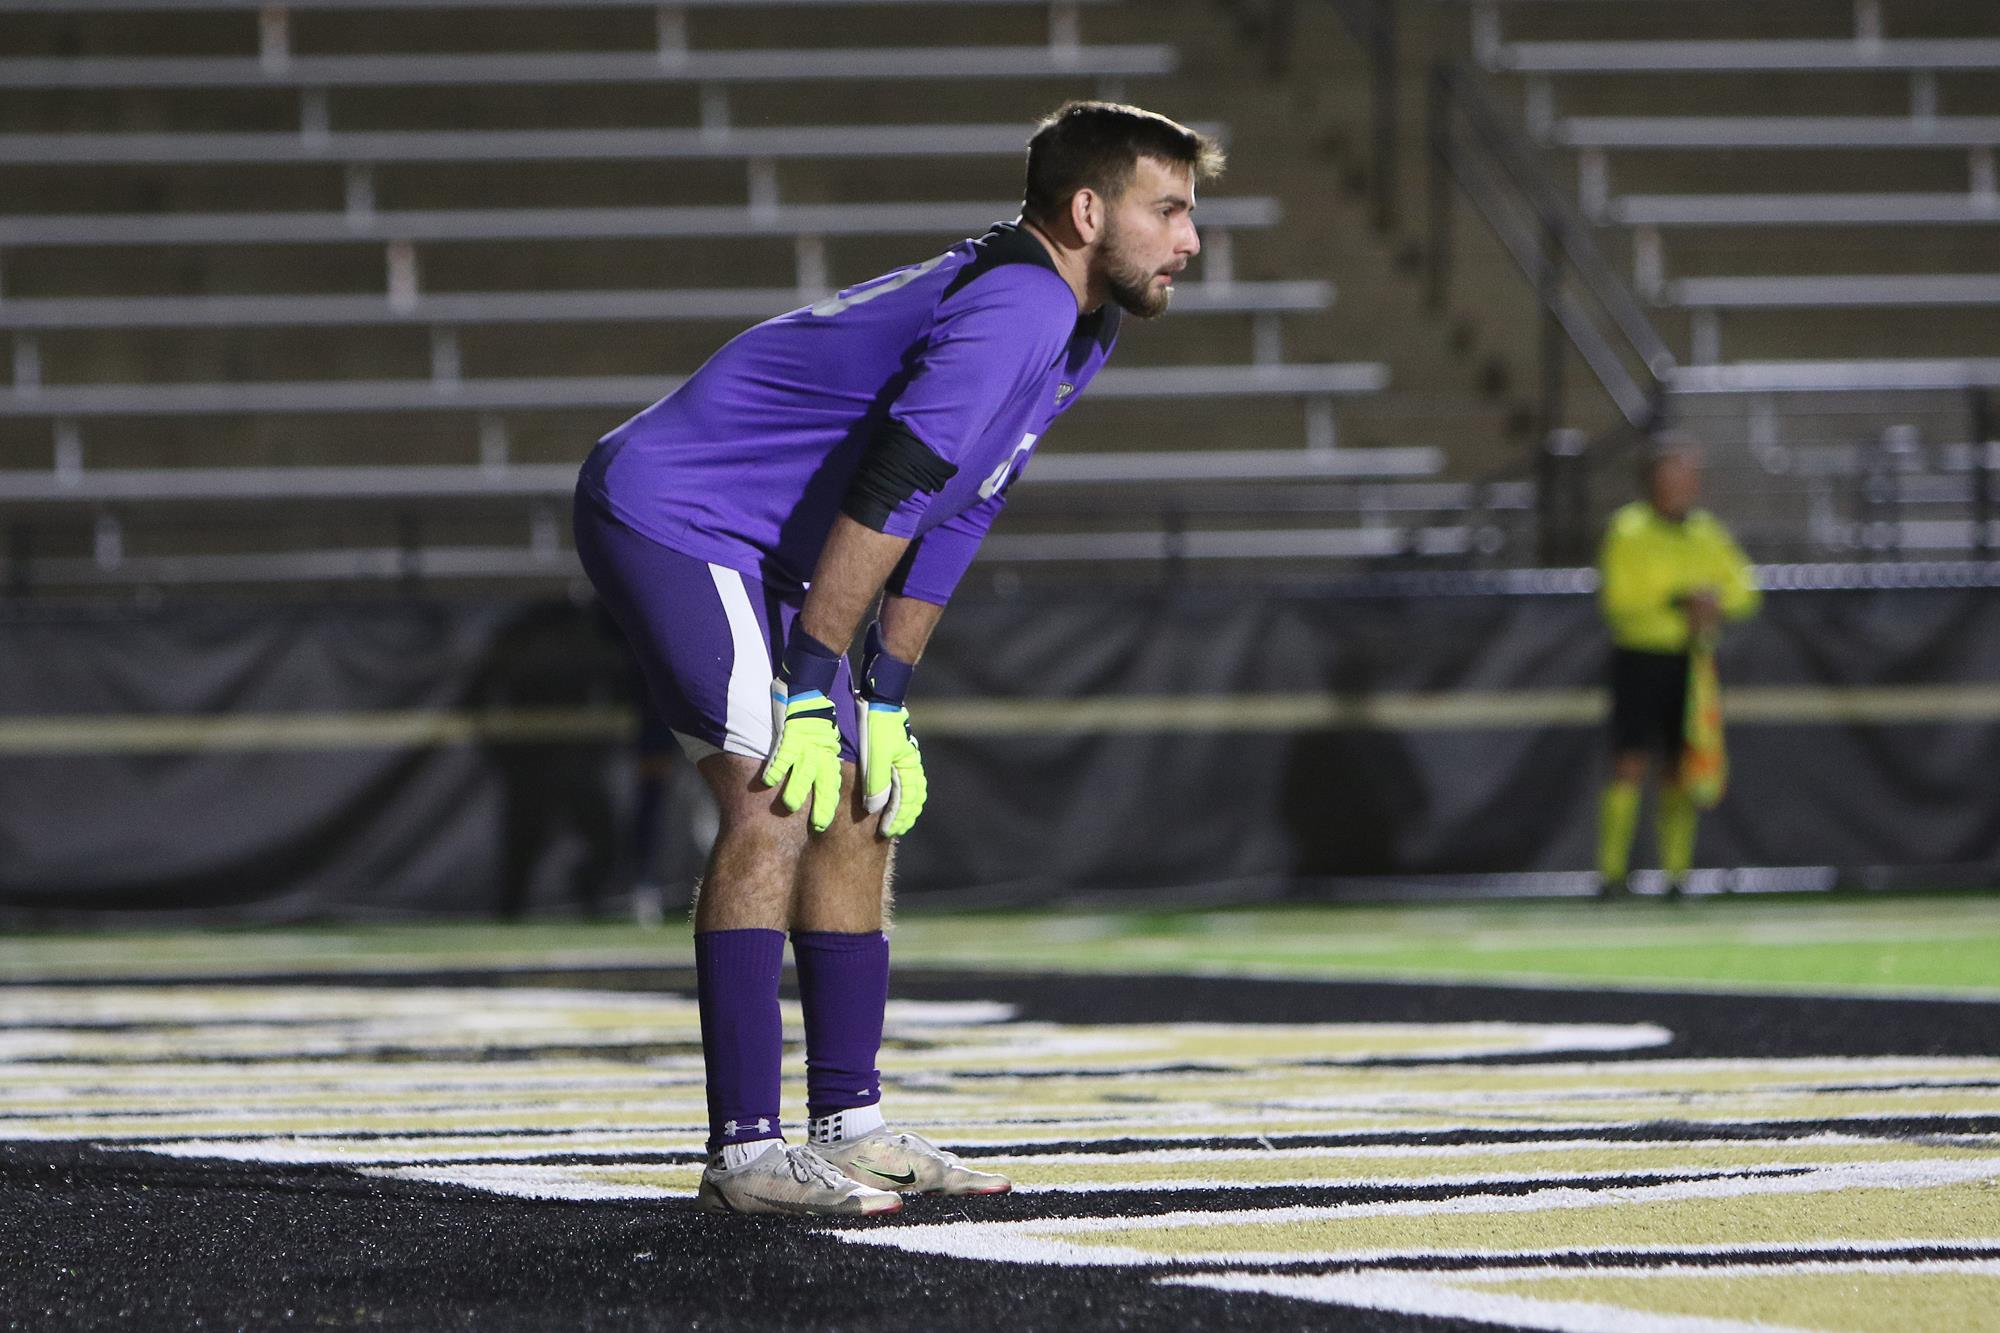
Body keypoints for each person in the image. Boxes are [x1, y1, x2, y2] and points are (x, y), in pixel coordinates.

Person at [572, 101, 1222, 1216]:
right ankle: (742, 1150)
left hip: (767, 545)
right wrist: (817, 685)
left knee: (860, 795)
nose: (1189, 240)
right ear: (1084, 209)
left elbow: (961, 507)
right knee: (780, 789)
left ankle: (851, 1122)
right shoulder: (1023, 299)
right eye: (1167, 210)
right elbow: (891, 491)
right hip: (680, 516)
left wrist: (885, 693)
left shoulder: (1079, 319)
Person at [1595, 435, 1760, 899]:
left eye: (1689, 476)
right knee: (1628, 762)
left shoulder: (1706, 532)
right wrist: (1678, 601)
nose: (1683, 485)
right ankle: (1611, 875)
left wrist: (1716, 605)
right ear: (1652, 480)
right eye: (1673, 476)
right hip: (1640, 657)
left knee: (1679, 767)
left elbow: (1746, 590)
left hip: (1690, 661)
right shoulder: (1628, 530)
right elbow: (1619, 600)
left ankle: (1676, 875)